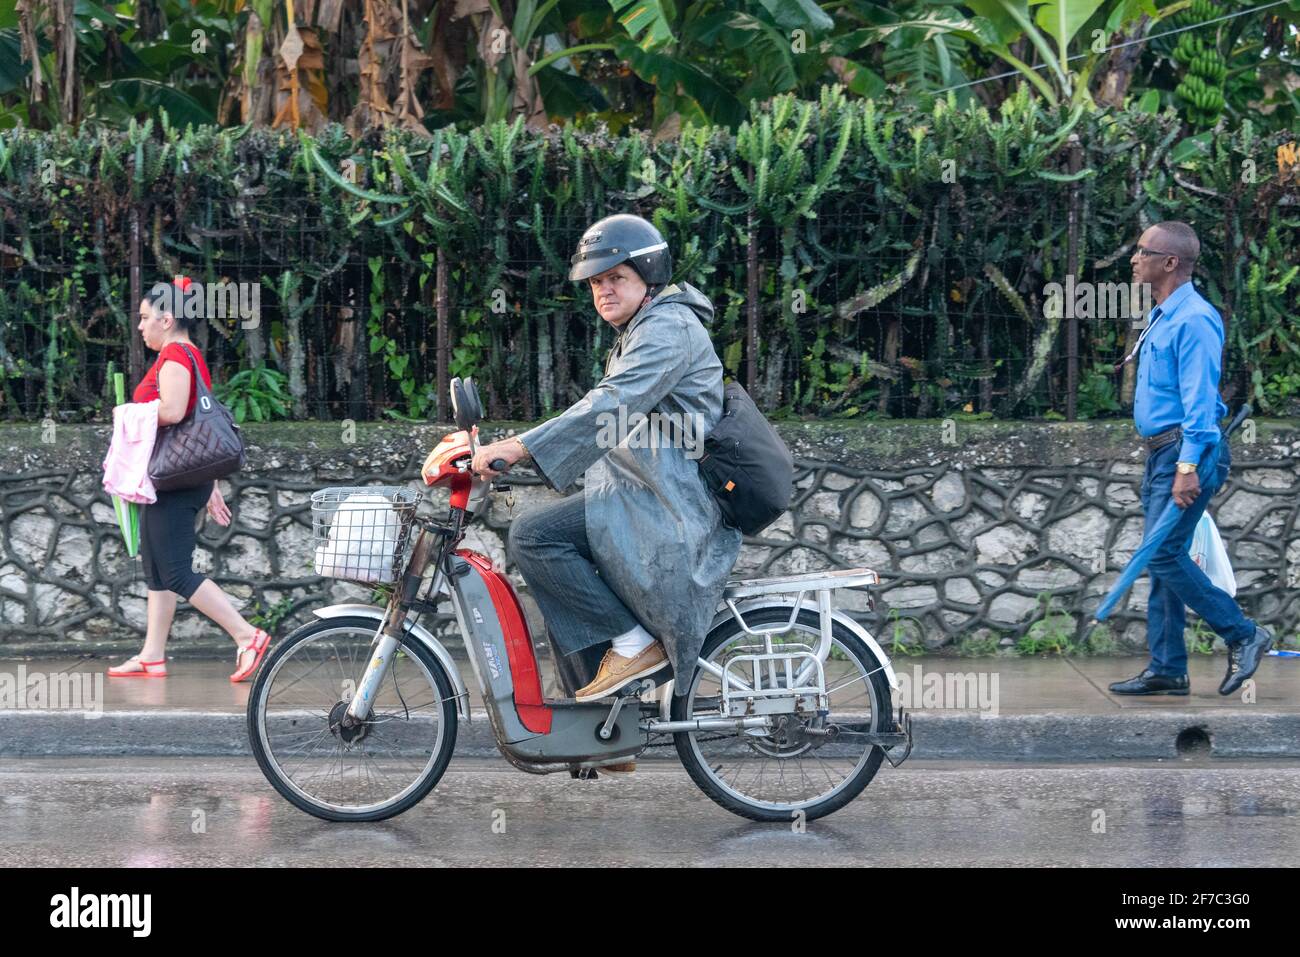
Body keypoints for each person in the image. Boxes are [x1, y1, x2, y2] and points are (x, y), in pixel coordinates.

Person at [471, 214, 742, 762]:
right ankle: (602, 728)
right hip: (646, 492)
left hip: (670, 504)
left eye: (615, 277)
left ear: (648, 274)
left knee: (535, 536)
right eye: (596, 282)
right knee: (553, 552)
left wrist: (519, 447)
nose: (603, 290)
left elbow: (609, 405)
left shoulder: (668, 330)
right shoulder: (644, 328)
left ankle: (633, 650)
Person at [1108, 221, 1273, 697]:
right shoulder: (1164, 314)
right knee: (1163, 558)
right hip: (1163, 454)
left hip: (1185, 454)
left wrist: (1187, 467)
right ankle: (1168, 668)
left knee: (1161, 554)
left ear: (1170, 262)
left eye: (1143, 251)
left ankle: (1244, 633)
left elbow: (1200, 402)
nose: (1134, 259)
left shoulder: (1194, 319)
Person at [107, 278, 272, 682]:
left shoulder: (176, 355)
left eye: (145, 319)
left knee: (177, 571)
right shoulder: (187, 355)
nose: (141, 327)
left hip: (174, 485)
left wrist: (127, 413)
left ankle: (247, 635)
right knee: (156, 569)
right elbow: (200, 432)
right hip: (176, 480)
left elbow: (177, 412)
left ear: (167, 319)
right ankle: (152, 655)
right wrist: (211, 482)